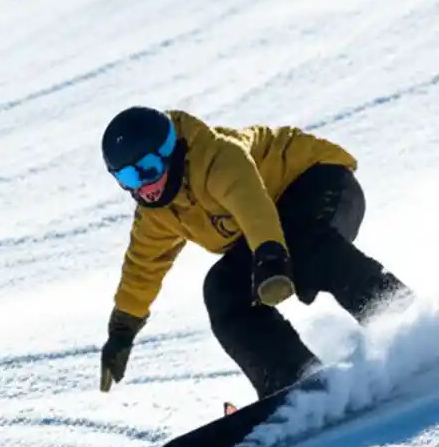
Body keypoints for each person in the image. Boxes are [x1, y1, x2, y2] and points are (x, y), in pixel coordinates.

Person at [97, 107, 411, 402]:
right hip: (270, 233)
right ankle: (294, 382)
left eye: (148, 169)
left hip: (321, 182)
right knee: (224, 290)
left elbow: (252, 205)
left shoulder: (217, 158)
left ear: (170, 152)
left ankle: (406, 326)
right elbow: (142, 268)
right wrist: (122, 331)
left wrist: (270, 256)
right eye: (128, 179)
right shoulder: (157, 213)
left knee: (304, 243)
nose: (144, 187)